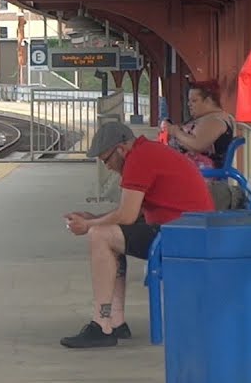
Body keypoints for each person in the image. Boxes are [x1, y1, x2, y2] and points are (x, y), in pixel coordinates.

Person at [59, 121, 214, 348]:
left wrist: (89, 224)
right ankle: (115, 320)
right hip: (188, 230)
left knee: (100, 236)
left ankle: (102, 324)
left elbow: (126, 216)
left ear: (121, 149)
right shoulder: (146, 152)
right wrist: (95, 217)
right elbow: (130, 213)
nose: (108, 167)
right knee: (107, 235)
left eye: (106, 160)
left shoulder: (139, 159)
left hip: (182, 237)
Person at [162, 79, 236, 169]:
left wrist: (175, 132)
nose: (189, 104)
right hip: (183, 166)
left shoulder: (216, 121)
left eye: (194, 101)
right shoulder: (206, 117)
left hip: (199, 171)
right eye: (189, 101)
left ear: (208, 101)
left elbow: (198, 145)